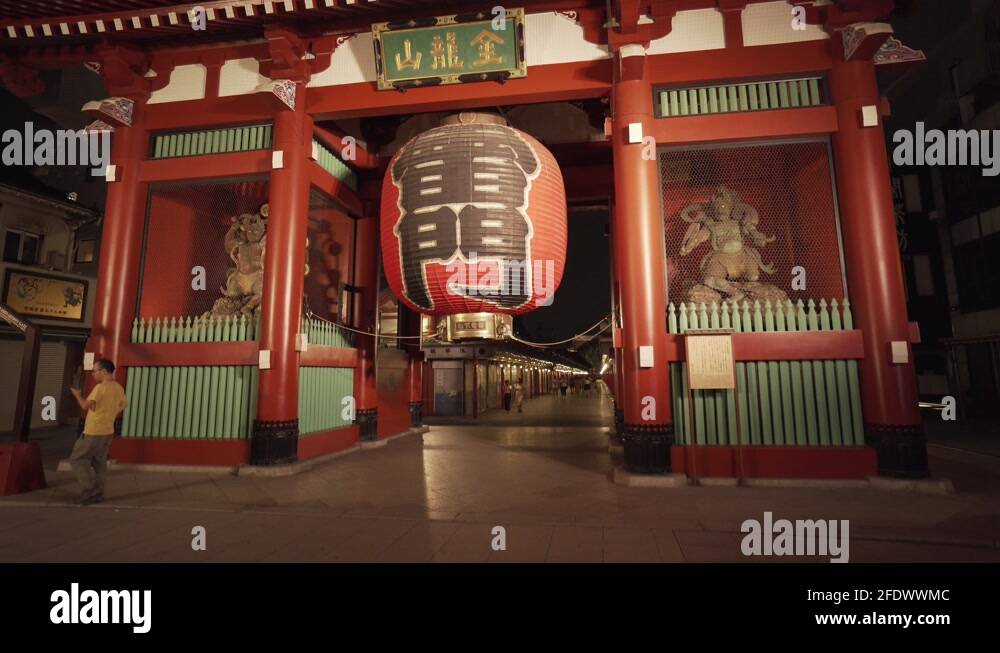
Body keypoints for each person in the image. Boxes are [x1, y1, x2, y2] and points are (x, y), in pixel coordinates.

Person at [68, 359, 127, 505]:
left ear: (104, 371)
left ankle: (89, 490)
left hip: (93, 431)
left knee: (77, 459)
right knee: (100, 463)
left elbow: (84, 405)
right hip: (107, 431)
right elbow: (124, 404)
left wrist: (76, 394)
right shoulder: (118, 387)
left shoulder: (100, 388)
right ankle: (99, 493)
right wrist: (111, 413)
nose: (93, 373)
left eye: (95, 370)